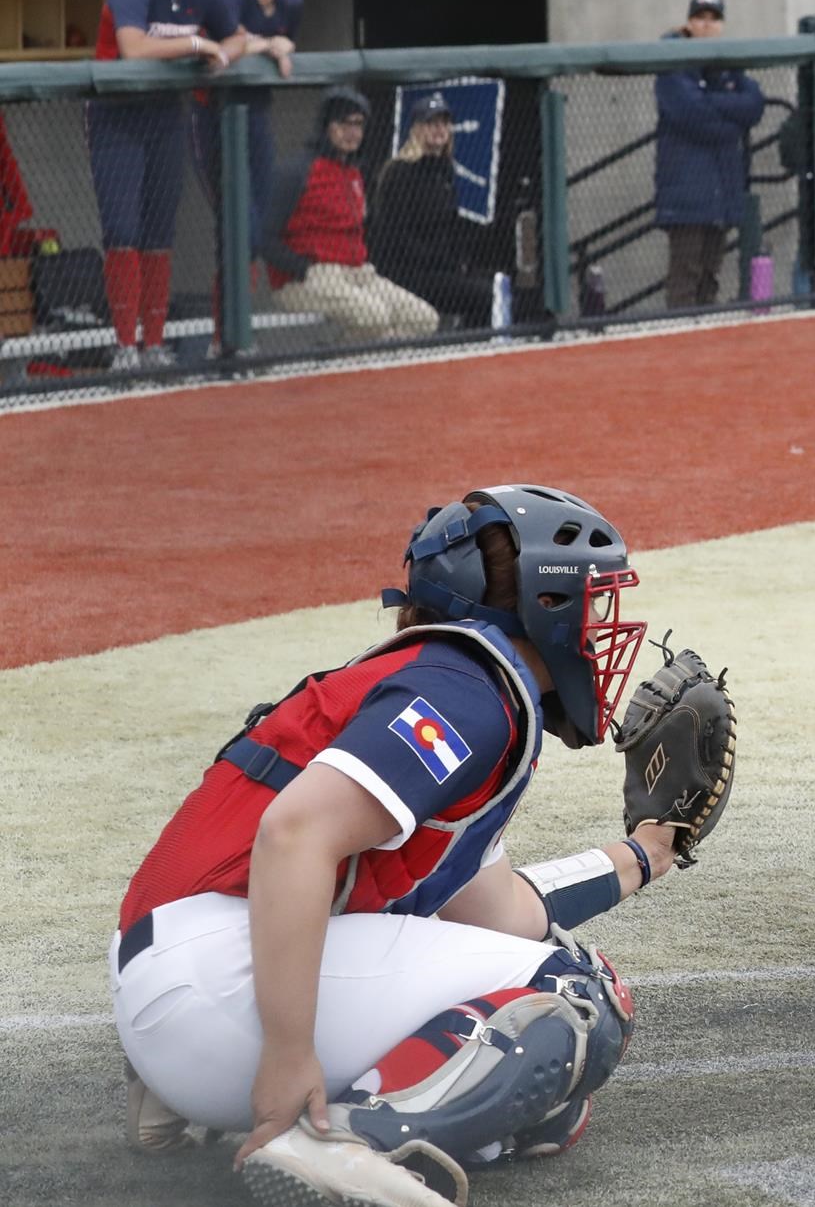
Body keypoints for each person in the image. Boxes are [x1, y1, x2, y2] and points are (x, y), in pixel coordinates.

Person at [112, 486, 673, 1206]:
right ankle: (339, 1142)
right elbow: (295, 833)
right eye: (591, 603)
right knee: (575, 995)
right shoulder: (467, 693)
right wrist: (288, 1057)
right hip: (219, 988)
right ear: (543, 602)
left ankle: (179, 1090)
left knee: (549, 1014)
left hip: (178, 989)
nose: (600, 627)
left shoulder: (445, 678)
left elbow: (497, 912)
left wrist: (649, 853)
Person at [90, 0, 250, 370]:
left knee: (160, 232)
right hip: (116, 119)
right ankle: (125, 347)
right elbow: (134, 48)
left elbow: (237, 37)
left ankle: (154, 345)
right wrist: (199, 46)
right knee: (123, 230)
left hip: (167, 117)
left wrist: (224, 53)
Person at [260, 87, 440, 341]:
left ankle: (360, 365)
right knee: (374, 317)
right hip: (306, 279)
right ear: (326, 126)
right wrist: (304, 268)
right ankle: (337, 366)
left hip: (358, 273)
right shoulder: (296, 171)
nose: (352, 132)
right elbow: (263, 237)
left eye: (358, 125)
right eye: (344, 124)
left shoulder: (353, 172)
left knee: (423, 319)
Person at [653, 0, 764, 309]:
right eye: (700, 18)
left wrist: (715, 106)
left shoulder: (727, 63)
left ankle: (705, 347)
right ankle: (680, 344)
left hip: (723, 187)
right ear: (689, 23)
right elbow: (691, 114)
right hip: (686, 190)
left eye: (714, 19)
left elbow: (754, 103)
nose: (706, 25)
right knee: (685, 275)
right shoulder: (671, 60)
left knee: (710, 275)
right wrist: (732, 120)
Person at [205, 0, 301, 240]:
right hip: (213, 110)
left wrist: (279, 46)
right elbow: (228, 43)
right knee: (235, 216)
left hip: (256, 109)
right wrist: (270, 44)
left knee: (258, 216)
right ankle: (231, 287)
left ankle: (238, 285)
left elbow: (287, 45)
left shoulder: (292, 2)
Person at [372, 94, 498, 327]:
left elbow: (450, 225)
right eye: (431, 123)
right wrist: (441, 261)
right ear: (417, 129)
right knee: (485, 295)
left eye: (444, 123)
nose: (439, 129)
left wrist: (459, 260)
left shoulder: (444, 170)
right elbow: (395, 236)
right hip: (409, 273)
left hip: (442, 268)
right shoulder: (399, 172)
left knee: (493, 287)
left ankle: (469, 349)